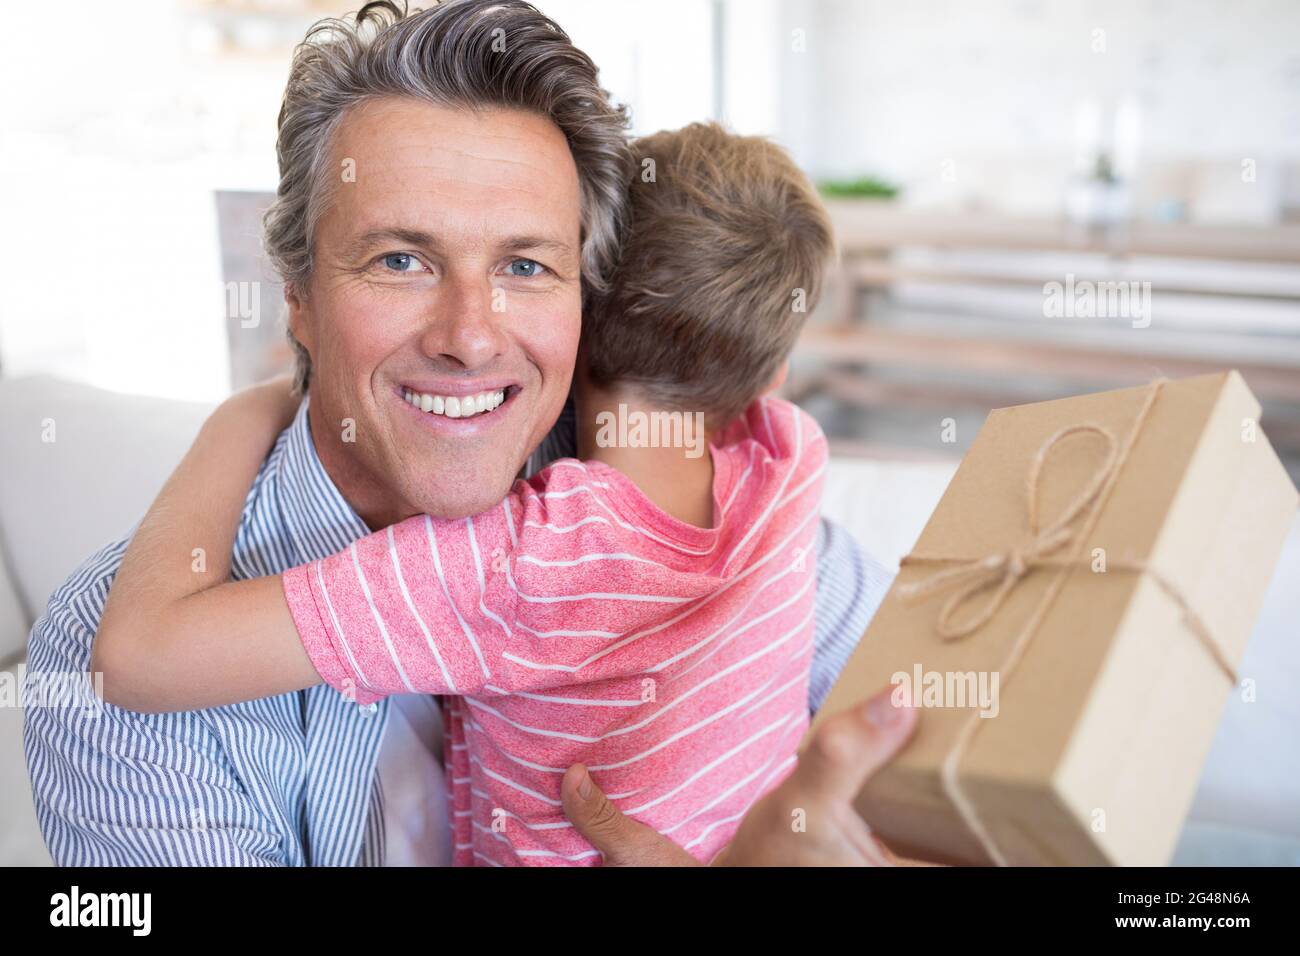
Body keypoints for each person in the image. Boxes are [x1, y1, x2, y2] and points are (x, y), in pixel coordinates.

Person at [24, 0, 907, 866]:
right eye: (400, 260)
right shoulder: (114, 688)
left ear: (585, 304)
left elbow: (944, 719)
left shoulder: (674, 501)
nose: (472, 336)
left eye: (526, 266)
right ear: (295, 292)